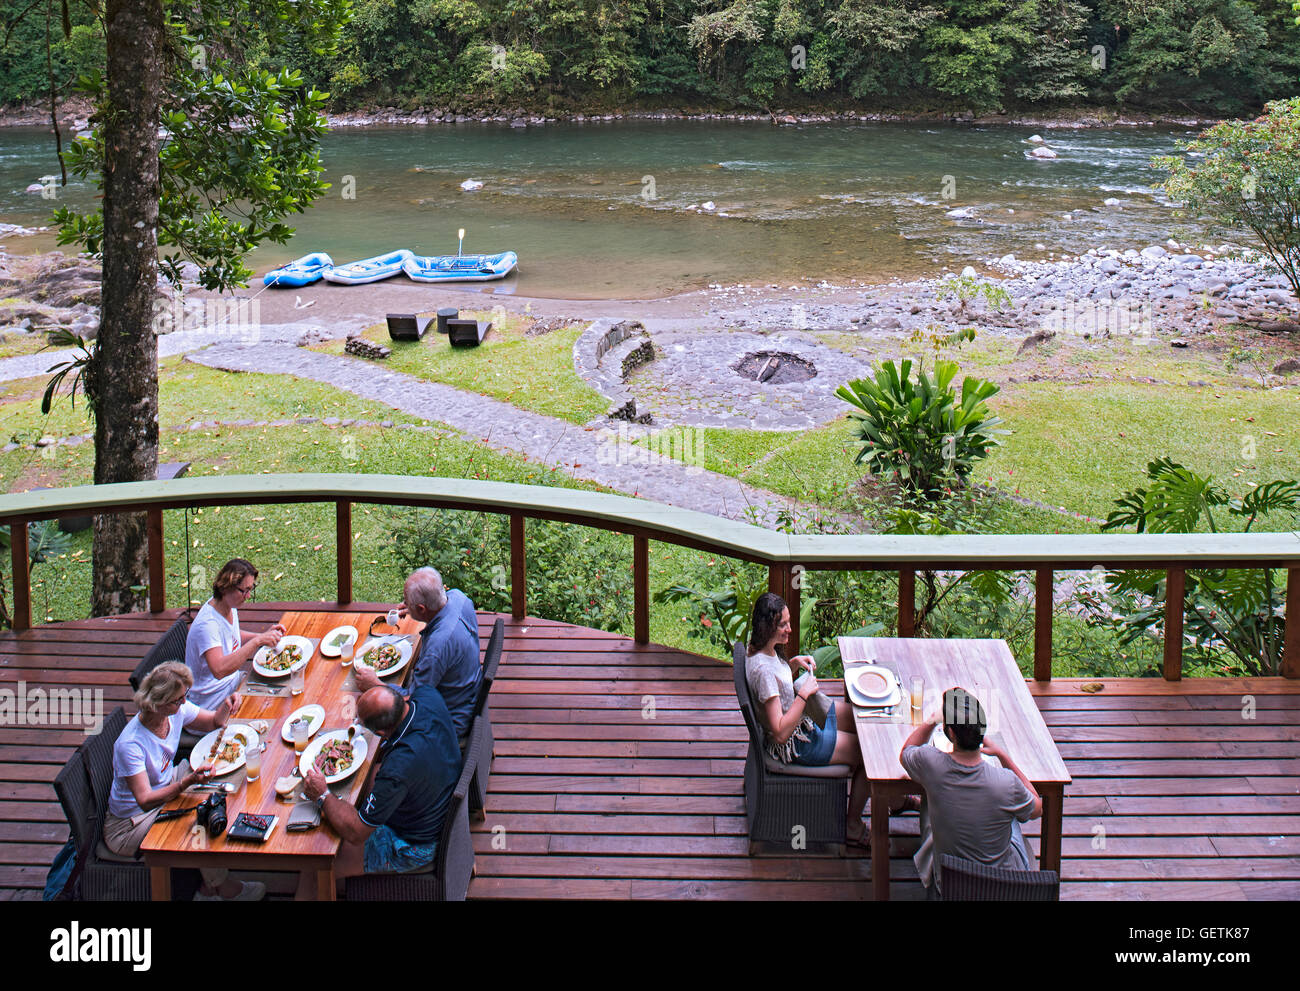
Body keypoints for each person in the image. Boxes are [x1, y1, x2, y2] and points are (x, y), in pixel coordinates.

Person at [102, 661, 265, 901]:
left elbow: (213, 722)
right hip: (131, 824)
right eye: (178, 700)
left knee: (218, 786)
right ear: (158, 703)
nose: (183, 703)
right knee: (198, 816)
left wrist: (226, 706)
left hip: (166, 784)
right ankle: (216, 888)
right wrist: (184, 784)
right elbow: (145, 800)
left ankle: (210, 883)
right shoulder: (131, 745)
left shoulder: (174, 711)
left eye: (184, 697)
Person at [744, 591, 874, 851]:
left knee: (861, 717)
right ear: (767, 626)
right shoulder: (763, 672)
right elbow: (780, 733)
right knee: (867, 753)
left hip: (804, 724)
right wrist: (803, 694)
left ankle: (894, 801)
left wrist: (793, 664)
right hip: (796, 743)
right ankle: (852, 825)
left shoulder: (760, 651)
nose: (790, 629)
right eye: (783, 625)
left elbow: (773, 687)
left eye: (789, 622)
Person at [301, 683, 461, 890]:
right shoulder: (428, 695)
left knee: (314, 866)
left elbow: (357, 833)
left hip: (414, 843)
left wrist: (322, 795)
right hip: (437, 794)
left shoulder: (398, 768)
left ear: (381, 732)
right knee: (369, 775)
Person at [899, 686, 1042, 897]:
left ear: (952, 734)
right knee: (1012, 813)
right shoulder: (1006, 784)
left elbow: (906, 752)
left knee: (931, 797)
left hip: (952, 885)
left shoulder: (932, 765)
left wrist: (933, 718)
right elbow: (1037, 809)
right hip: (1002, 888)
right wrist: (1004, 757)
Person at [354, 567, 480, 736]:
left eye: (408, 603)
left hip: (450, 719)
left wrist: (375, 684)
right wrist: (415, 611)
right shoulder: (458, 597)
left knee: (368, 717)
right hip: (466, 689)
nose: (404, 605)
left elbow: (413, 701)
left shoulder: (437, 649)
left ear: (422, 608)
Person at [184, 558, 284, 709]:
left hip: (231, 684)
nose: (248, 596)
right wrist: (256, 642)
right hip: (210, 702)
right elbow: (219, 670)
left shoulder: (226, 606)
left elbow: (231, 636)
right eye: (244, 591)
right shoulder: (208, 625)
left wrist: (262, 637)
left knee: (283, 687)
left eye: (250, 589)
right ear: (225, 587)